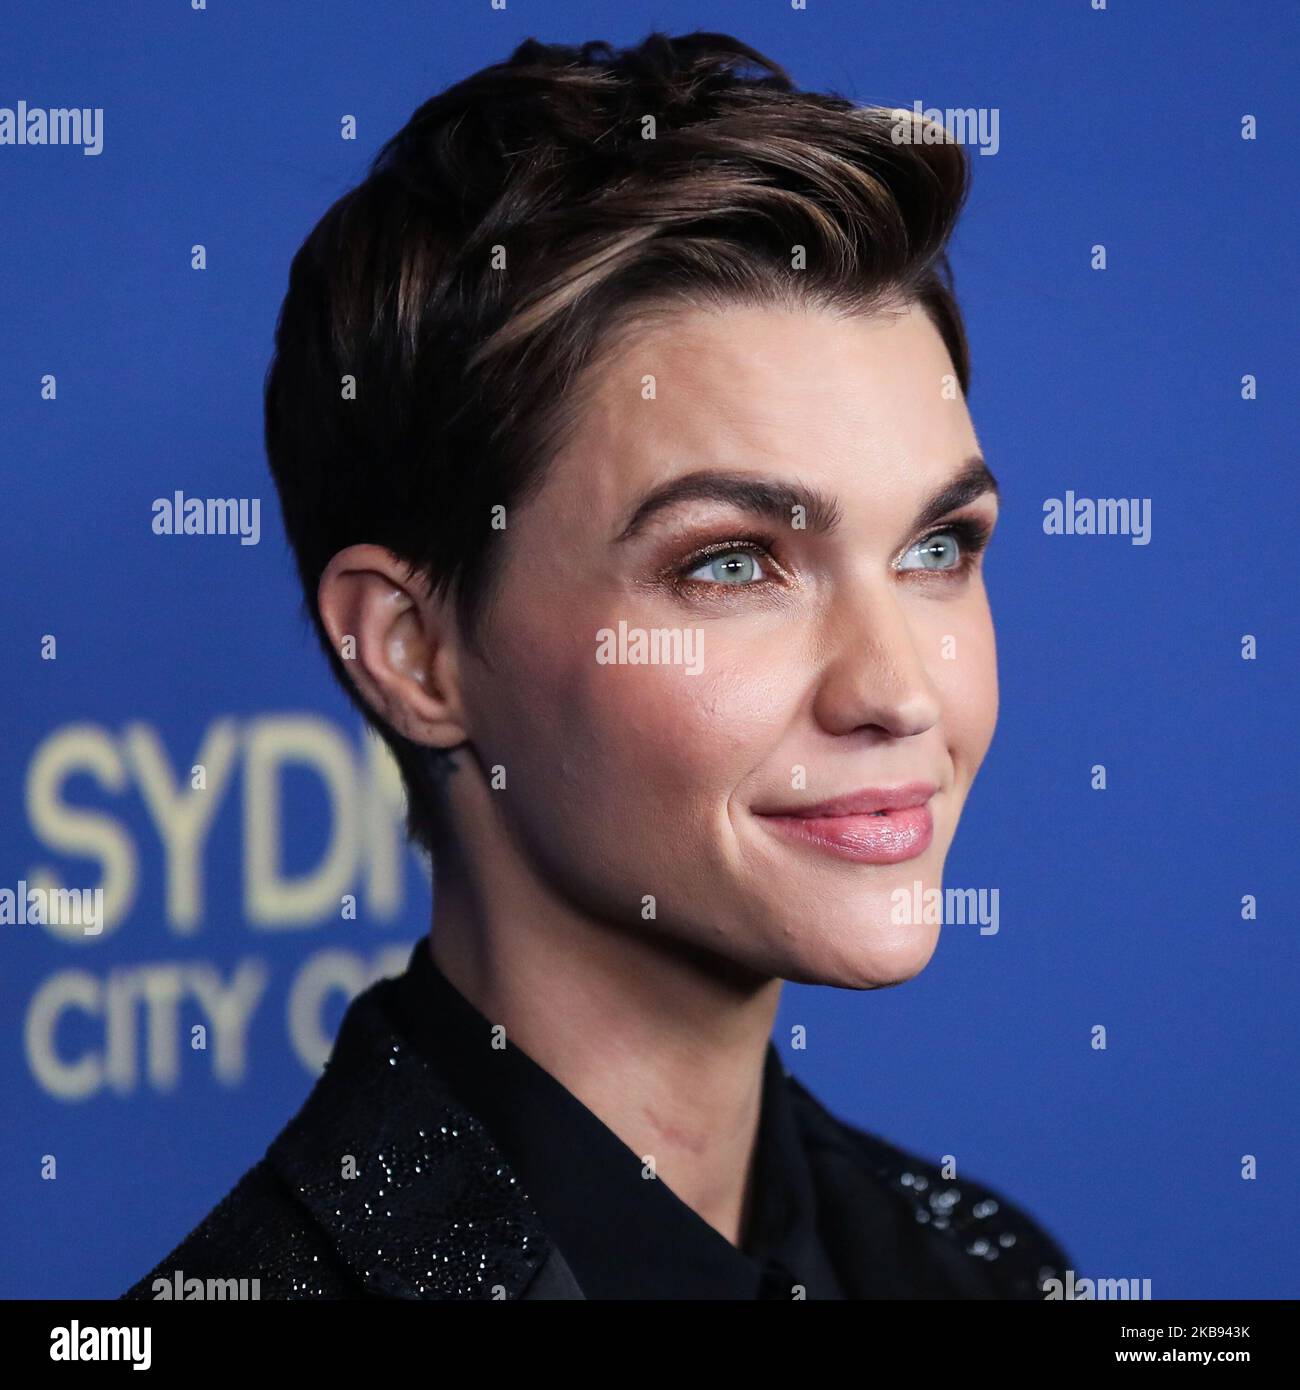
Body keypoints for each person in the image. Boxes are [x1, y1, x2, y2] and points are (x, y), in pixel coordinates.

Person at [123, 29, 1071, 1301]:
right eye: (732, 564)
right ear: (415, 651)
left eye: (937, 547)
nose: (896, 691)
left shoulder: (990, 1270)